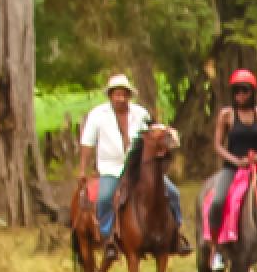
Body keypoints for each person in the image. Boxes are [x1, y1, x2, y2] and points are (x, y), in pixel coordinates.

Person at [76, 72, 182, 245]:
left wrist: (167, 136)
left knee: (172, 192)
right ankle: (107, 235)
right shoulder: (97, 115)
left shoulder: (141, 114)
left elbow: (154, 132)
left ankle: (175, 232)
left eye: (124, 94)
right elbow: (87, 143)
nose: (120, 98)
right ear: (110, 96)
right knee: (104, 197)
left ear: (129, 96)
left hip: (138, 168)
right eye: (116, 94)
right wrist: (82, 168)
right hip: (111, 168)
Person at [206, 68, 257, 262]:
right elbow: (217, 145)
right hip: (232, 167)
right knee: (218, 201)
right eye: (237, 90)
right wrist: (235, 160)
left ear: (252, 92)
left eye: (245, 90)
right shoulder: (227, 115)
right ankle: (216, 248)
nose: (241, 95)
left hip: (256, 167)